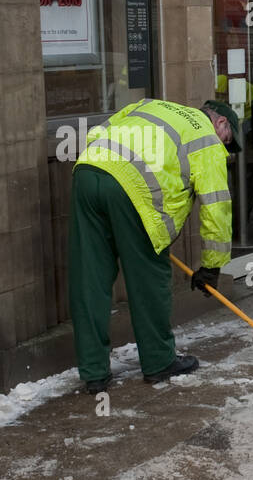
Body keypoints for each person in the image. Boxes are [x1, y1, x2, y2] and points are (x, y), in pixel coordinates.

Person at [69, 99, 237, 393]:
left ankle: (93, 371)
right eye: (229, 141)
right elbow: (216, 207)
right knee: (148, 278)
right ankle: (159, 362)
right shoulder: (205, 137)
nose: (225, 148)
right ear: (221, 123)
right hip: (132, 192)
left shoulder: (152, 105)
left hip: (88, 171)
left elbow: (101, 131)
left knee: (90, 275)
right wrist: (212, 266)